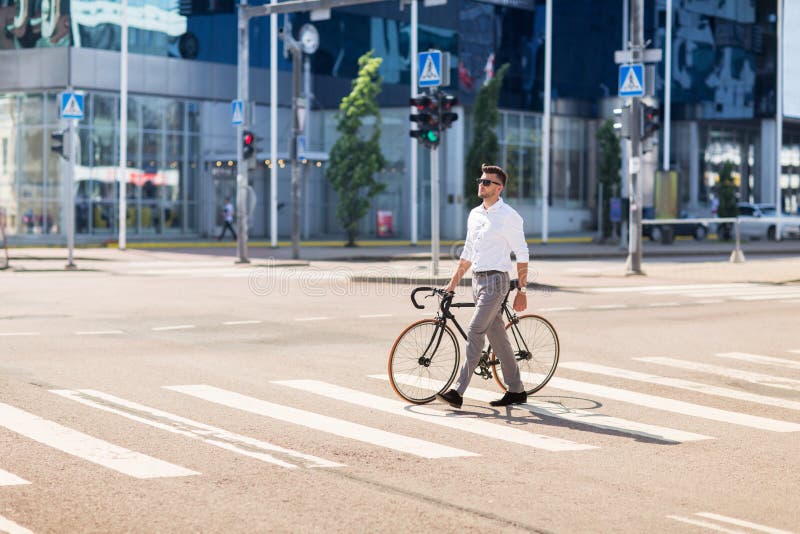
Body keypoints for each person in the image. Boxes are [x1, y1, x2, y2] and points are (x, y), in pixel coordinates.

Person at [436, 164, 530, 409]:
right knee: (497, 336)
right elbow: (468, 252)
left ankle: (458, 391)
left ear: (499, 188)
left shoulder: (509, 216)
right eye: (480, 180)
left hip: (497, 281)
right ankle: (517, 390)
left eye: (487, 182)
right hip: (477, 280)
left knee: (475, 330)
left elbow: (522, 253)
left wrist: (522, 290)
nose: (481, 184)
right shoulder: (475, 214)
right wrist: (452, 284)